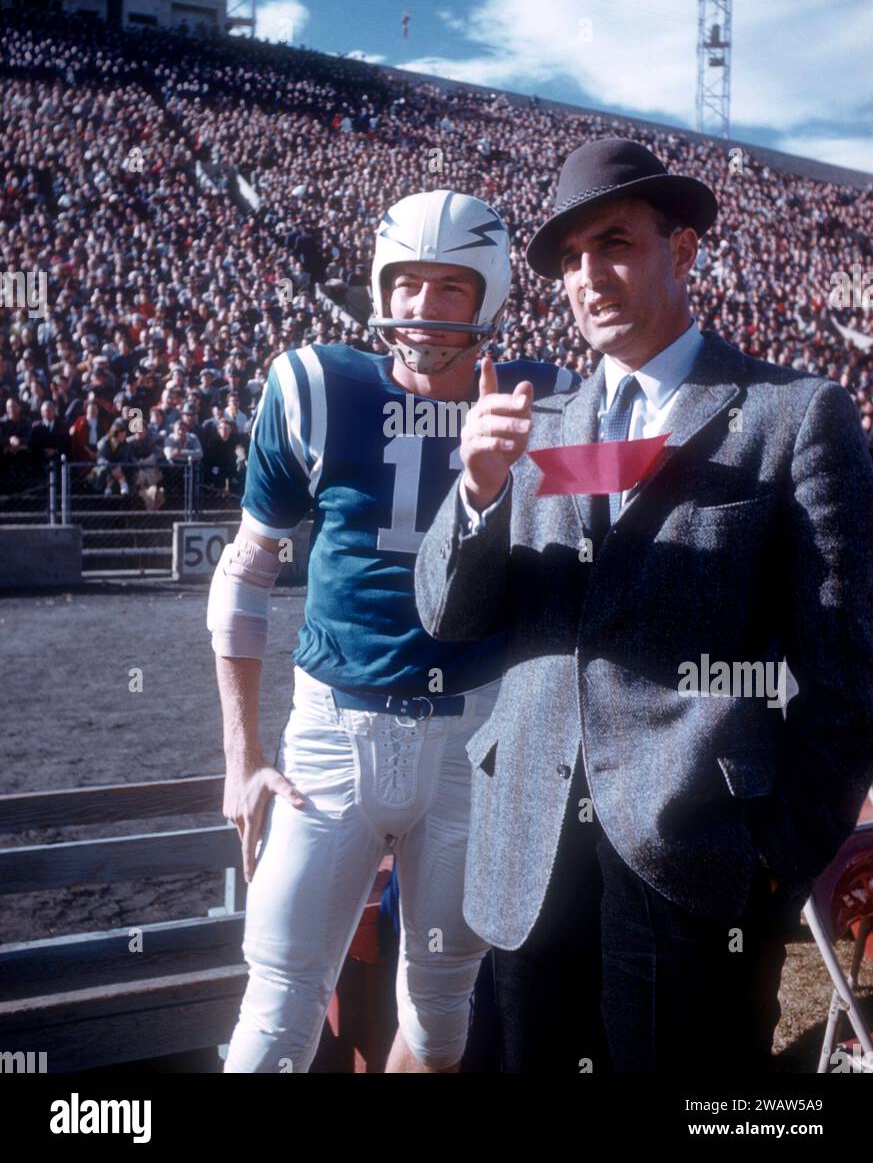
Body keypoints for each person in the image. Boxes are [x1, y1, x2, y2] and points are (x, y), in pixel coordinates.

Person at [415, 139, 873, 1074]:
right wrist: (473, 495)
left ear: (684, 248)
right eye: (571, 260)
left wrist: (776, 855)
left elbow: (848, 667)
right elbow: (447, 620)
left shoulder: (793, 415)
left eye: (614, 243)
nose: (589, 278)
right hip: (529, 853)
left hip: (694, 858)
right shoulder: (531, 426)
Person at [207, 189, 578, 1075]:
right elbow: (245, 573)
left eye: (449, 286)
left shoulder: (548, 397)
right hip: (333, 734)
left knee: (444, 1013)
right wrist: (240, 753)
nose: (420, 306)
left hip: (472, 740)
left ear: (487, 295)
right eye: (404, 282)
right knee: (278, 1003)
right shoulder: (316, 387)